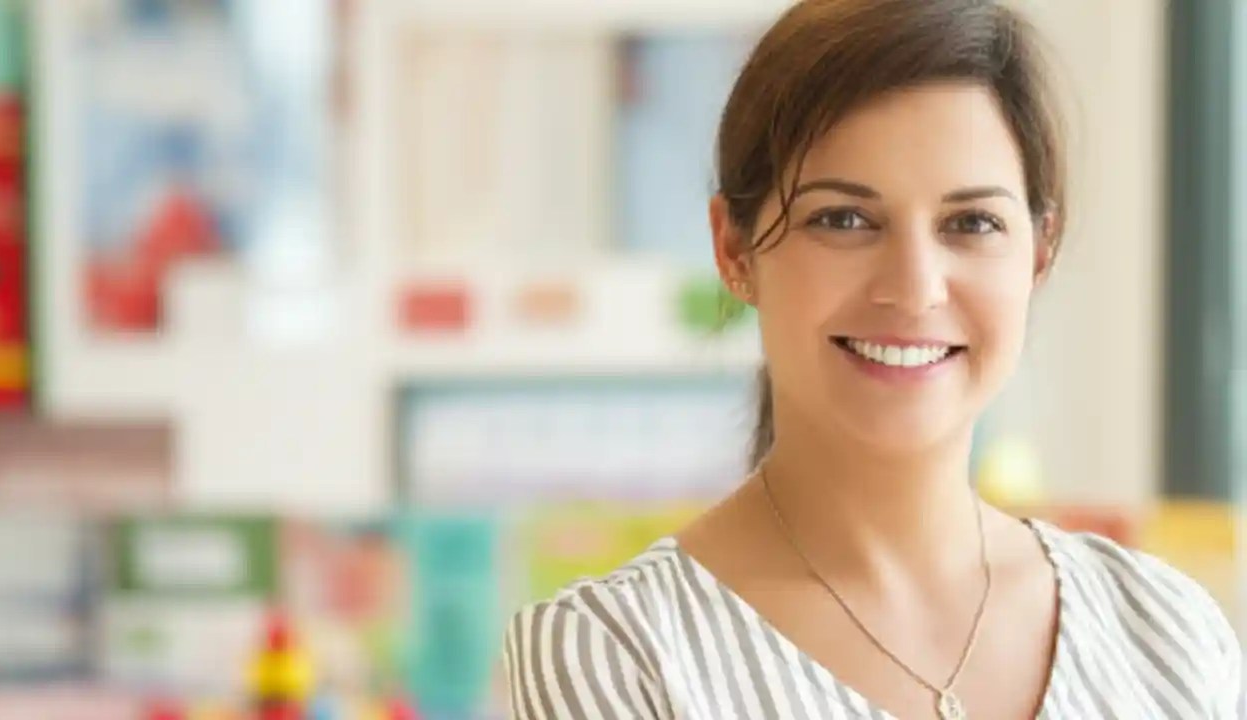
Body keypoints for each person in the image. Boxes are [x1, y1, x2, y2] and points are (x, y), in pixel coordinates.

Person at [502, 0, 1244, 717]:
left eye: (971, 222)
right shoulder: (616, 654)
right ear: (734, 248)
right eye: (844, 219)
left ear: (1039, 253)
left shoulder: (1167, 631)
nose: (914, 288)